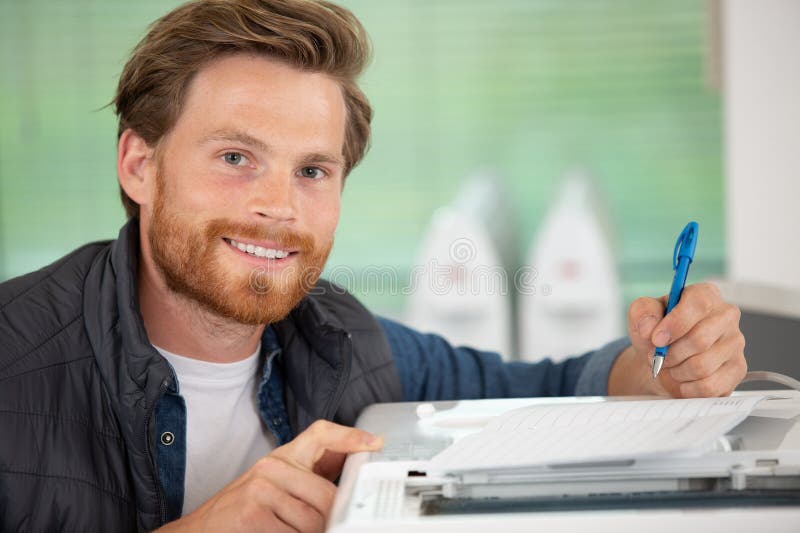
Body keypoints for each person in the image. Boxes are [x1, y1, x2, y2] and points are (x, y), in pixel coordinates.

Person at [0, 0, 747, 531]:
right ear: (139, 163)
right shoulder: (12, 358)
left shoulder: (345, 340)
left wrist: (662, 369)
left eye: (313, 170)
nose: (279, 206)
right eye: (236, 157)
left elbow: (548, 391)